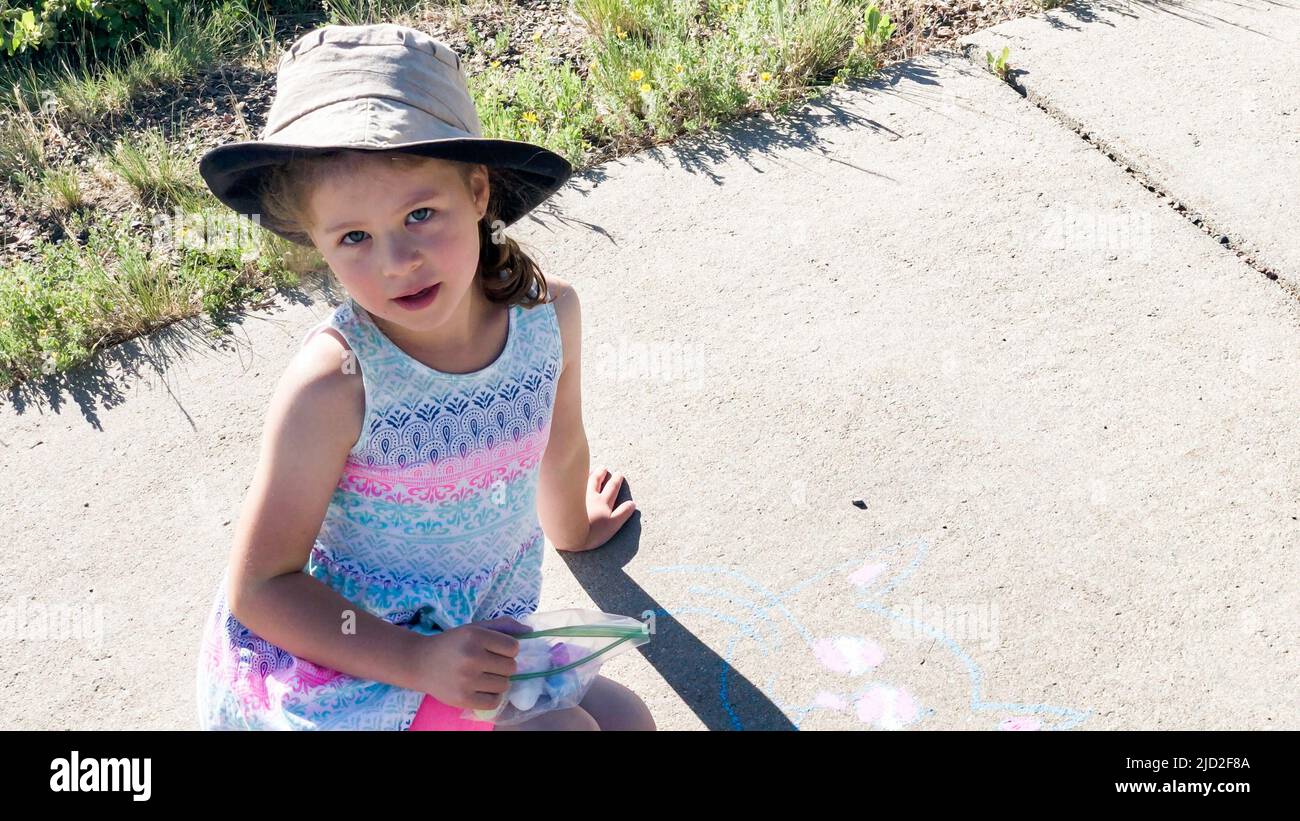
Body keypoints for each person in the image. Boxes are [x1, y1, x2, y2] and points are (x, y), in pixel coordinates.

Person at [193, 23, 653, 731]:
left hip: (470, 640)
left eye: (419, 214)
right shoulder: (336, 385)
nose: (396, 260)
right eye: (354, 237)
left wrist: (576, 526)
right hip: (355, 664)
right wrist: (417, 660)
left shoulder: (547, 317)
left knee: (628, 722)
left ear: (477, 191)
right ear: (315, 243)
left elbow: (557, 447)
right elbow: (260, 587)